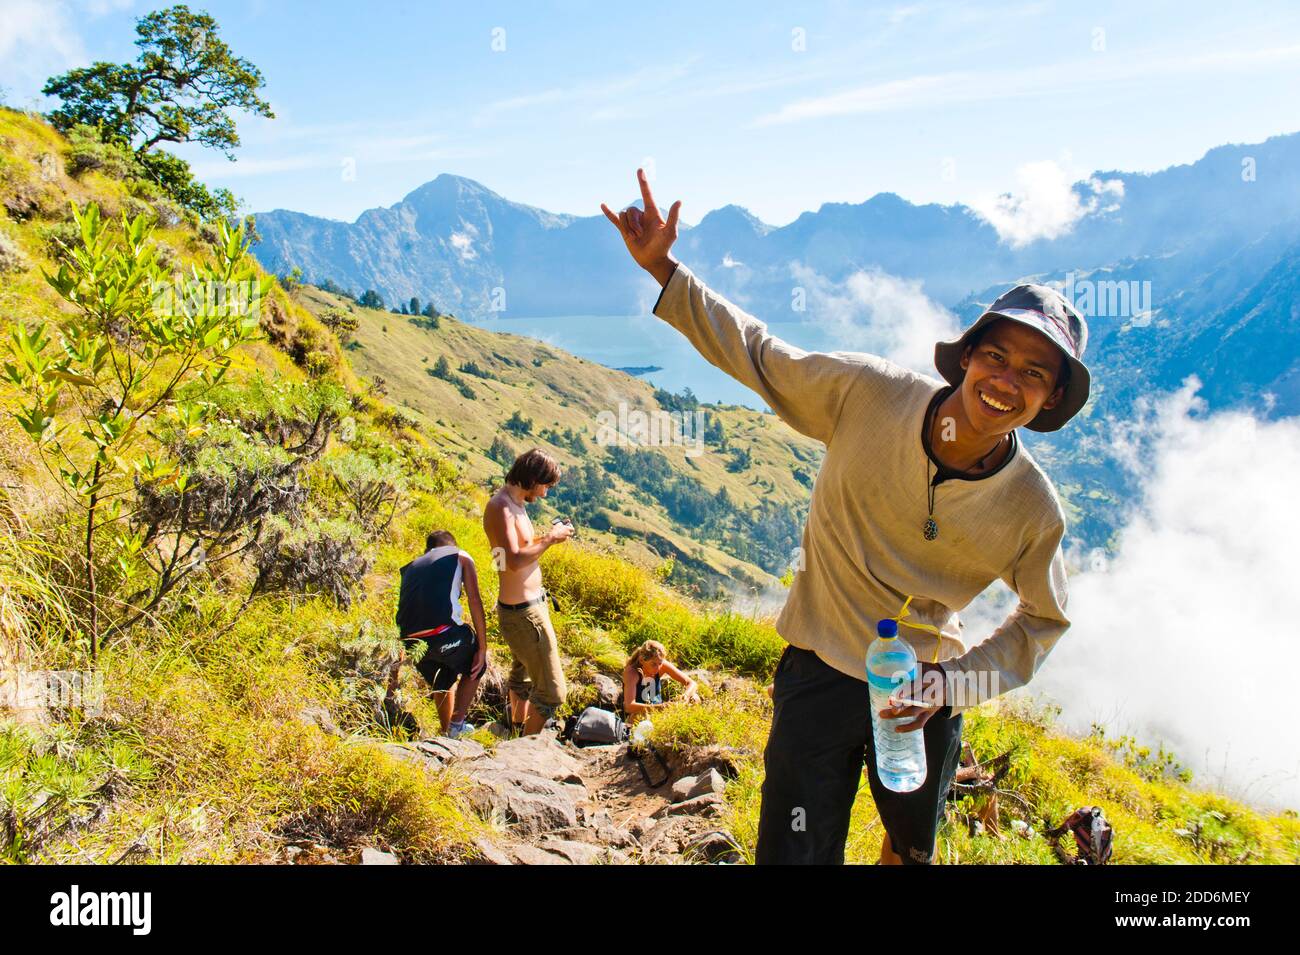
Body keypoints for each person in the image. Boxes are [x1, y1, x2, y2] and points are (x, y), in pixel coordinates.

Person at [601, 169, 1090, 866]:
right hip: (818, 669)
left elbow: (1046, 618)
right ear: (968, 358)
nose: (1007, 380)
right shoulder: (869, 393)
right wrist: (666, 271)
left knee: (912, 849)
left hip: (922, 690)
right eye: (996, 355)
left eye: (1034, 373)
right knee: (795, 849)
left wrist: (955, 684)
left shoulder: (1032, 509)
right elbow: (761, 357)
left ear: (1050, 400)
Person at [482, 448, 573, 736]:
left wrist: (544, 539)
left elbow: (504, 559)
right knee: (553, 692)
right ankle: (526, 749)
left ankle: (515, 730)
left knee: (521, 675)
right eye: (545, 486)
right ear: (532, 478)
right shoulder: (501, 507)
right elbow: (514, 561)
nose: (545, 494)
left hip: (524, 607)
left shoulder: (514, 504)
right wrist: (549, 538)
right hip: (523, 613)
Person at [394, 530, 487, 739]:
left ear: (428, 549)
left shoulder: (411, 567)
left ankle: (447, 732)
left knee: (442, 680)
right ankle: (456, 724)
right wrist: (482, 647)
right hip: (443, 635)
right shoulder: (459, 555)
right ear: (452, 544)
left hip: (411, 643)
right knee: (477, 663)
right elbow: (474, 600)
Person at [621, 640, 700, 717]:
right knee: (635, 715)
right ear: (642, 660)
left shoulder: (661, 665)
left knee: (695, 698)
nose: (658, 668)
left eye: (660, 663)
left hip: (660, 713)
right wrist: (662, 707)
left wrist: (685, 696)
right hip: (639, 716)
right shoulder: (632, 673)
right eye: (653, 664)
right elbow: (629, 707)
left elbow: (692, 683)